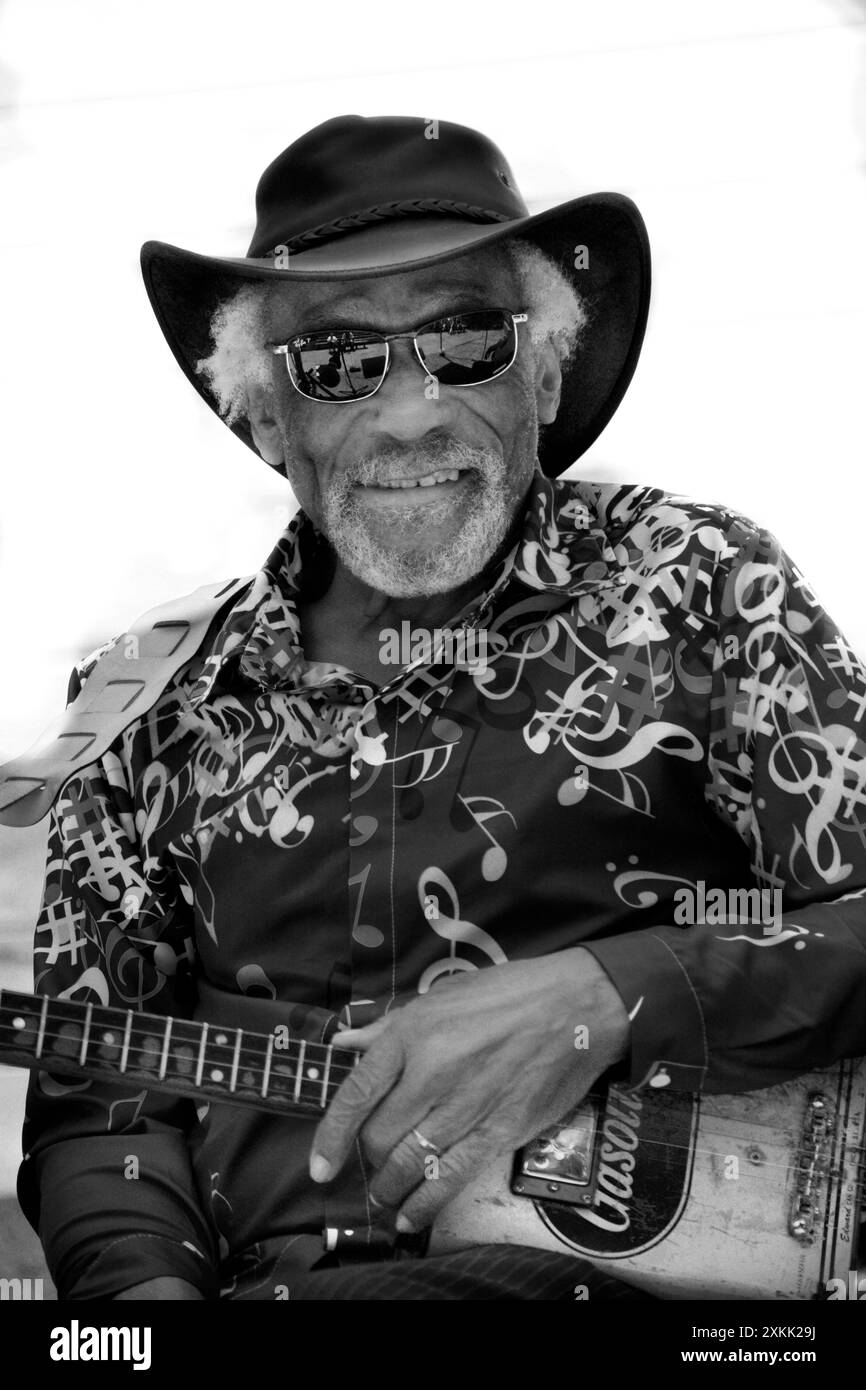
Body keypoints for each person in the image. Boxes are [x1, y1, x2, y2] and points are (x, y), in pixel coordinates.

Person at [3, 114, 866, 1301]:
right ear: (264, 416)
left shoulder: (695, 584)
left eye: (465, 342)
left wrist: (609, 991)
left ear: (543, 374)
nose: (409, 411)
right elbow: (104, 1111)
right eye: (335, 361)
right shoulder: (142, 705)